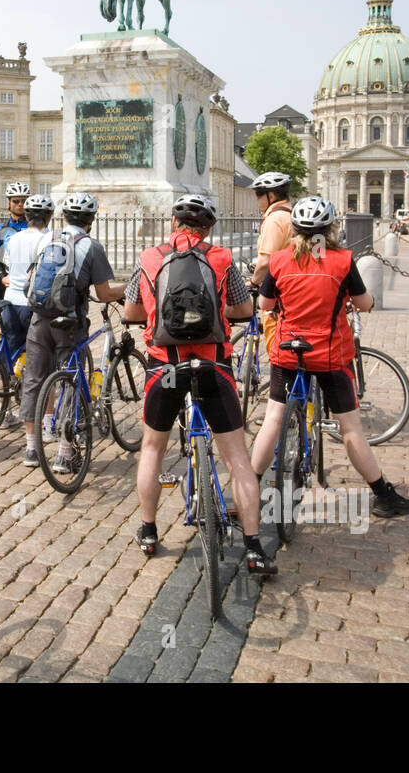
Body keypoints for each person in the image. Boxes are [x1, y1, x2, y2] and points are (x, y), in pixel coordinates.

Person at [124, 195, 275, 572]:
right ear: (208, 228)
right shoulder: (221, 258)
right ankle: (254, 547)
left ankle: (148, 530)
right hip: (213, 365)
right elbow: (243, 311)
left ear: (174, 224)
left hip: (164, 368)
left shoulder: (148, 258)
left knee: (153, 449)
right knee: (237, 457)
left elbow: (131, 312)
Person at [249, 195, 409, 521]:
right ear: (332, 229)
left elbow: (266, 306)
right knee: (351, 428)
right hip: (329, 355)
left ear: (294, 230)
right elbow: (365, 302)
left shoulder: (280, 261)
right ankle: (383, 494)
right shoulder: (342, 261)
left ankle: (250, 486)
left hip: (288, 353)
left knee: (272, 418)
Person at [19, 193, 123, 470]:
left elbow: (31, 278)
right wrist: (130, 287)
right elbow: (103, 293)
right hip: (69, 322)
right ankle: (65, 454)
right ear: (91, 220)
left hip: (39, 317)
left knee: (33, 379)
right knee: (70, 381)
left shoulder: (47, 239)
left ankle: (31, 449)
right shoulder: (91, 246)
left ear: (64, 217)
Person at [0, 194, 55, 431]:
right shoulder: (49, 238)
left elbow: (8, 266)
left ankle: (5, 411)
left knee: (6, 357)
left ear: (27, 216)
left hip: (10, 302)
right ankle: (47, 420)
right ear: (49, 217)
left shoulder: (15, 238)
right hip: (32, 305)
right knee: (44, 363)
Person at [249, 171, 296, 359]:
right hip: (294, 290)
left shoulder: (275, 219)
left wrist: (253, 282)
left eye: (258, 195)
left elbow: (266, 261)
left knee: (276, 350)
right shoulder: (293, 215)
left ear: (271, 195)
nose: (257, 200)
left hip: (277, 293)